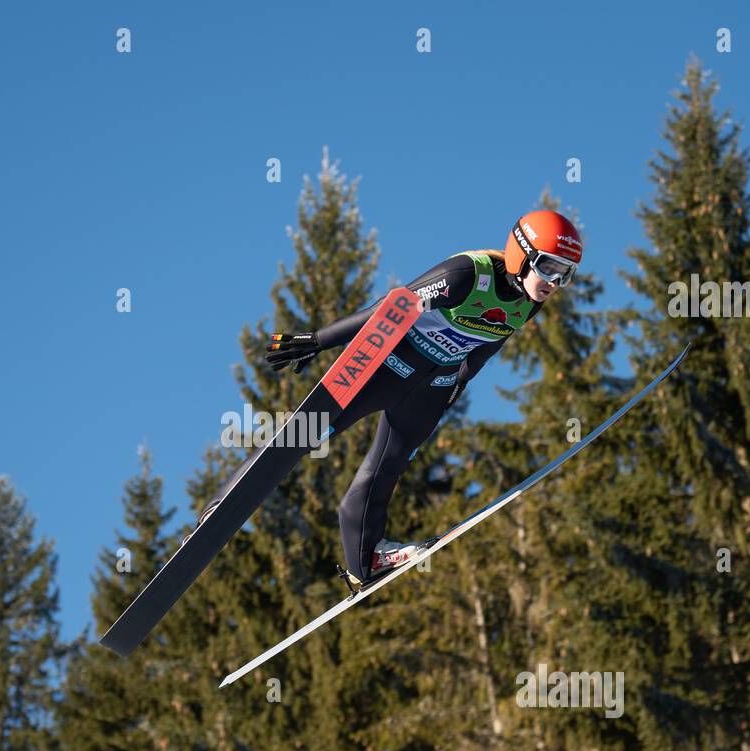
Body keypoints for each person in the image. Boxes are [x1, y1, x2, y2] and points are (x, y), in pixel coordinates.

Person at [196, 210, 584, 588]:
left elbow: (484, 348)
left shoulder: (529, 303)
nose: (554, 281)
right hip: (385, 368)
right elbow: (389, 310)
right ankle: (220, 509)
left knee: (385, 471)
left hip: (432, 388)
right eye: (549, 267)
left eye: (564, 274)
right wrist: (317, 340)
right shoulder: (467, 275)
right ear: (522, 253)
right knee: (302, 435)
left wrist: (455, 389)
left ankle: (365, 560)